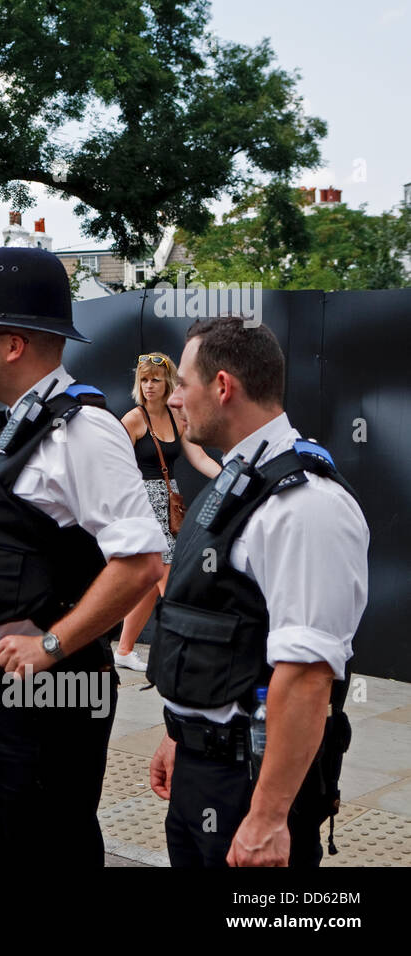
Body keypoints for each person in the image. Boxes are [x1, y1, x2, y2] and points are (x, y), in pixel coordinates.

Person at [0, 246, 165, 868]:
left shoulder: (84, 430)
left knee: (47, 848)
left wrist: (50, 647)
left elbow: (141, 561)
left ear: (14, 344)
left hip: (52, 691)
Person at [147, 317, 368, 868]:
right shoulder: (238, 478)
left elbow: (307, 677)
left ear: (223, 387)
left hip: (249, 789)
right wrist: (180, 732)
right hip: (205, 776)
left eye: (184, 384)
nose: (174, 399)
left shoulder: (304, 505)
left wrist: (268, 819)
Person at [113, 351, 221, 671]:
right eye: (144, 380)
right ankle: (190, 653)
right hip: (142, 503)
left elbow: (198, 457)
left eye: (155, 380)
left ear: (167, 382)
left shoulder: (177, 418)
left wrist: (230, 476)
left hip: (170, 502)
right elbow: (111, 463)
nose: (148, 386)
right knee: (169, 582)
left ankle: (123, 649)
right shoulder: (133, 419)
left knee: (150, 584)